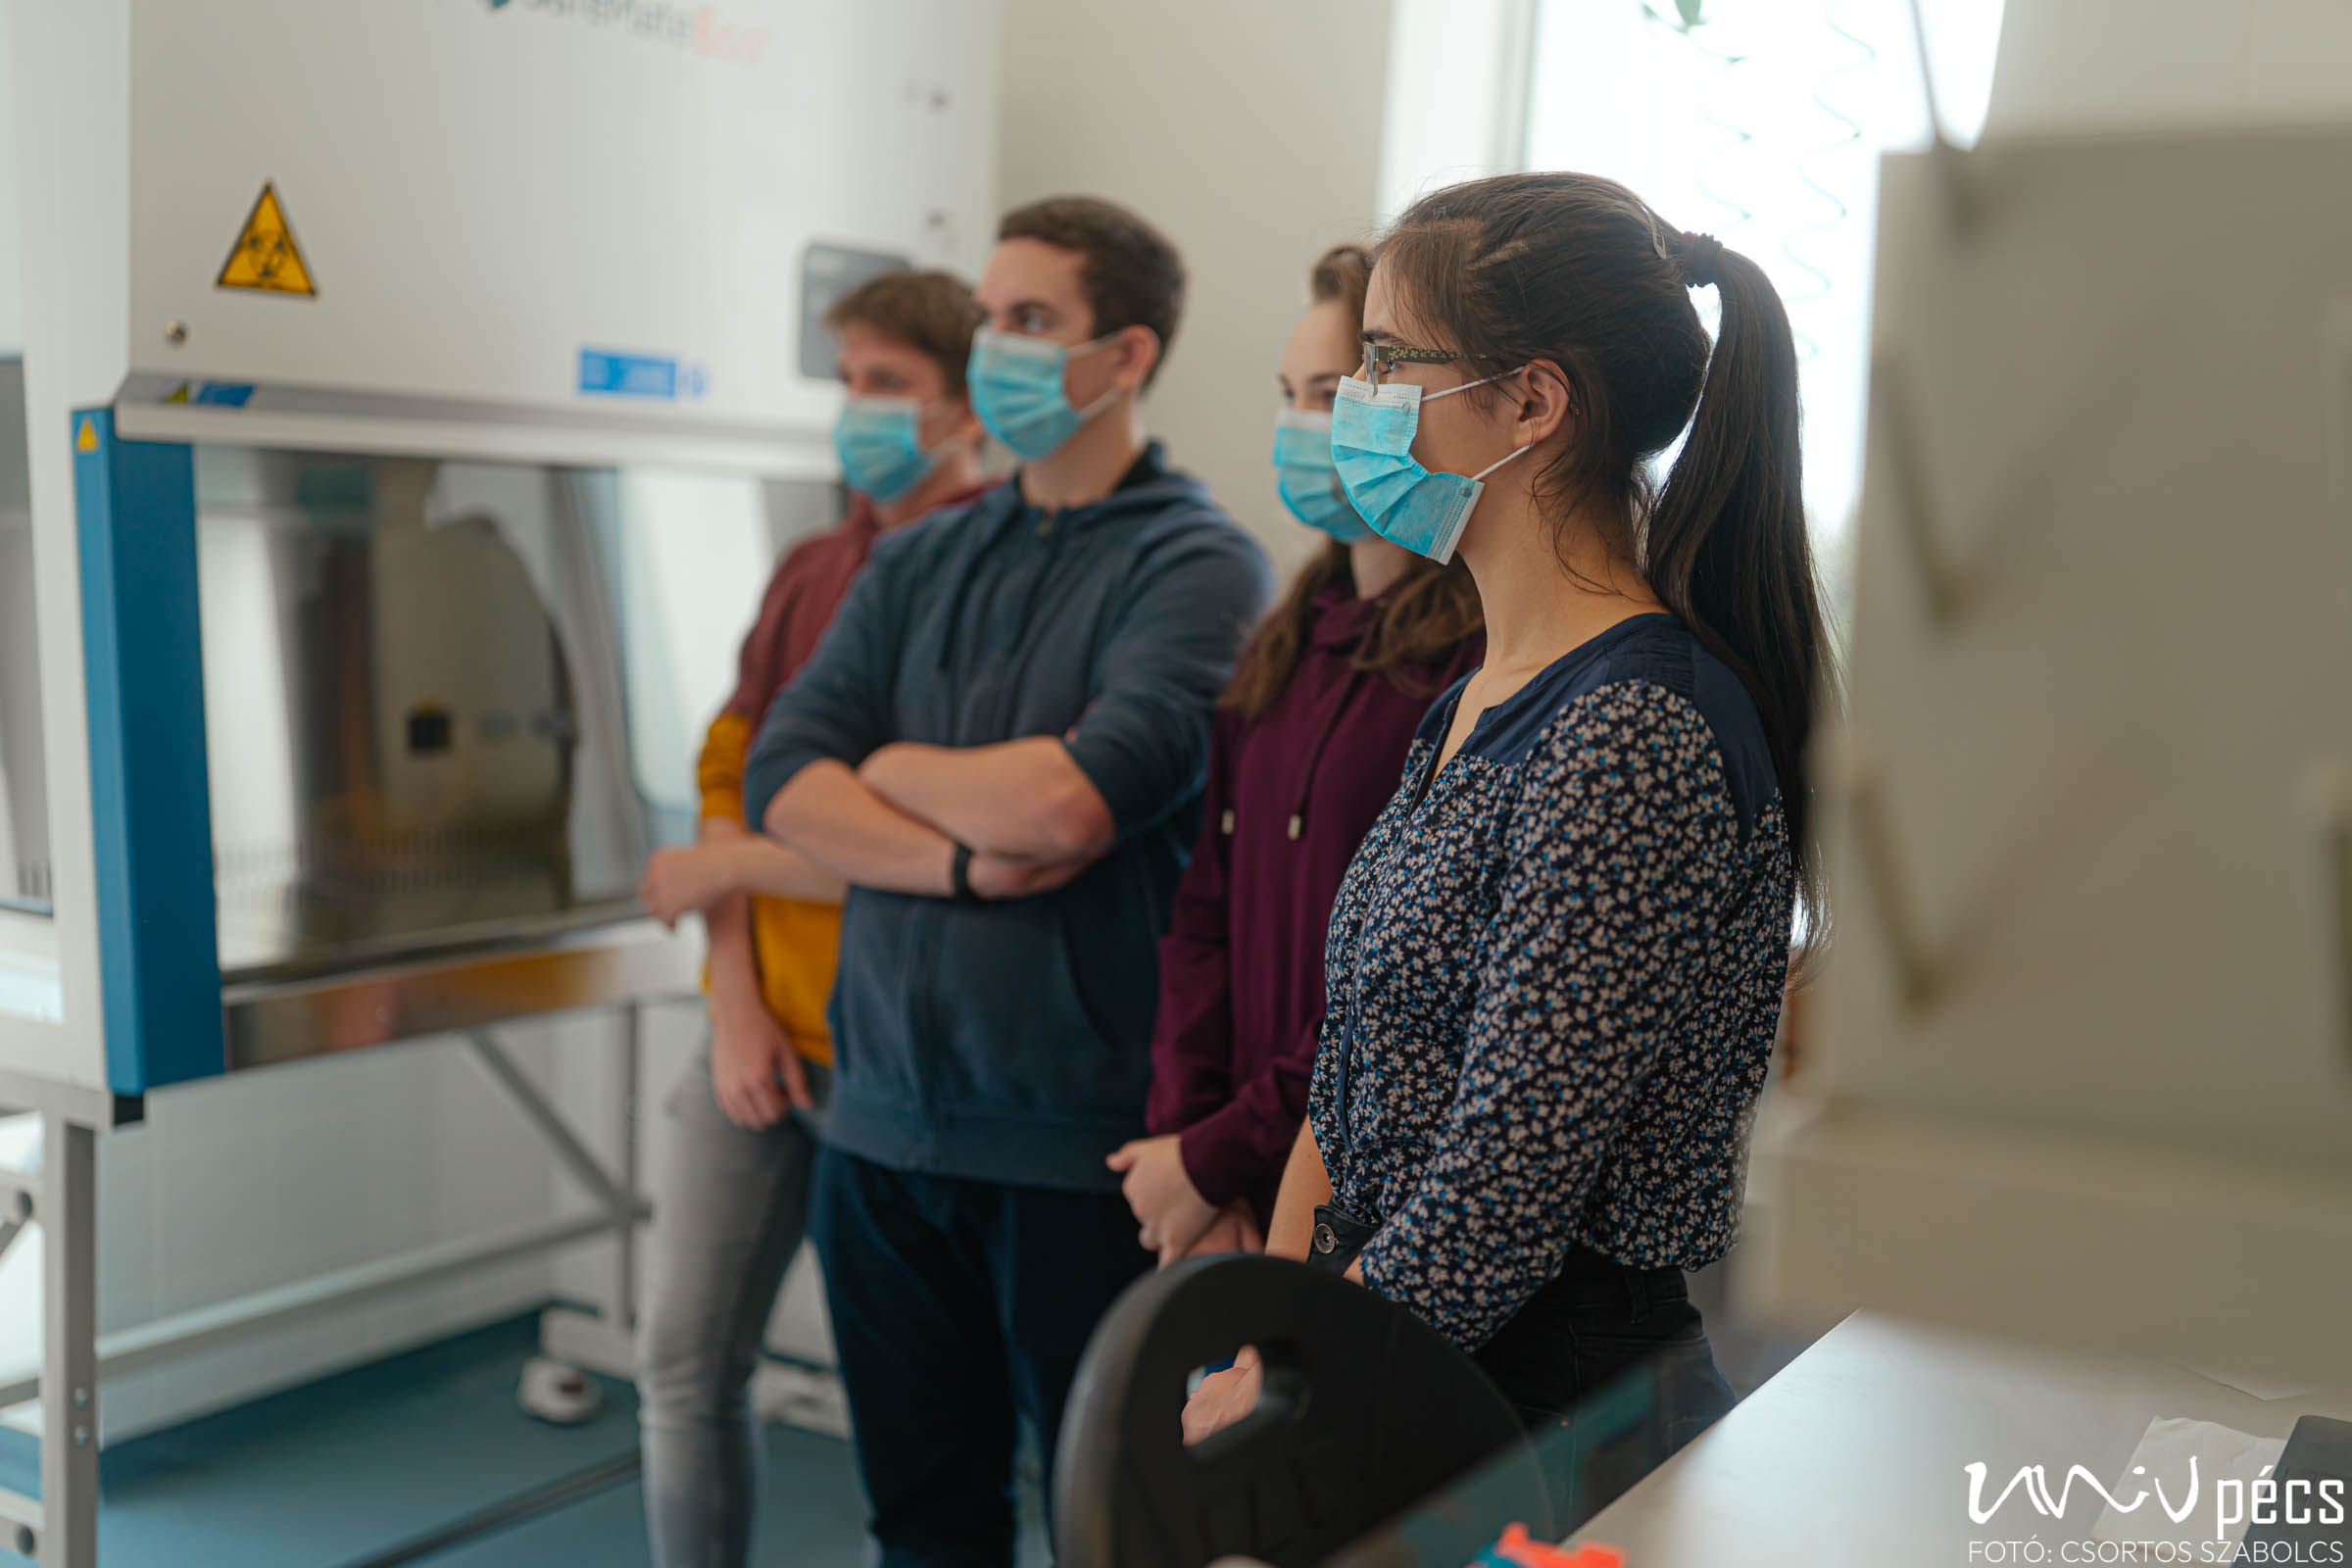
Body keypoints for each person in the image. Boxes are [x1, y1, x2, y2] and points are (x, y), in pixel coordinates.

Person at [1186, 172, 1827, 1533]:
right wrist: (1275, 1333)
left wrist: (1294, 1381)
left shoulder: (1632, 731)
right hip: (1401, 1364)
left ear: (1533, 403)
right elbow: (1352, 1081)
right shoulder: (1477, 695)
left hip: (1542, 1418)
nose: (1353, 405)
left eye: (1382, 362)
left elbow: (1505, 1186)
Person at [743, 196, 1271, 1568]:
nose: (995, 348)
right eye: (987, 318)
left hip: (1075, 1154)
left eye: (1032, 320)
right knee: (923, 1530)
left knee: (1119, 1533)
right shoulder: (919, 556)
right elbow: (783, 773)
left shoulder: (1199, 563)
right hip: (877, 1140)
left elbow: (1073, 799)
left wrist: (886, 764)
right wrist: (967, 866)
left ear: (1127, 354)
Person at [632, 269, 994, 1568]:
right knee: (680, 1362)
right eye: (848, 382)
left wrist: (730, 865)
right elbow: (727, 774)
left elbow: (941, 858)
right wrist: (734, 1004)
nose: (859, 410)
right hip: (758, 1040)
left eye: (889, 383)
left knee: (933, 1418)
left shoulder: (993, 577)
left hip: (900, 1066)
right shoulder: (813, 567)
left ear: (967, 405)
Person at [1108, 243, 1484, 1262]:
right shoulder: (1283, 645)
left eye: (1330, 394)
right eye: (1289, 394)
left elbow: (1405, 986)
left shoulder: (1474, 666)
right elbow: (1202, 920)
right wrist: (1195, 1154)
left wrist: (1214, 1157)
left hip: (1364, 1190)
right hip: (1225, 1180)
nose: (1302, 424)